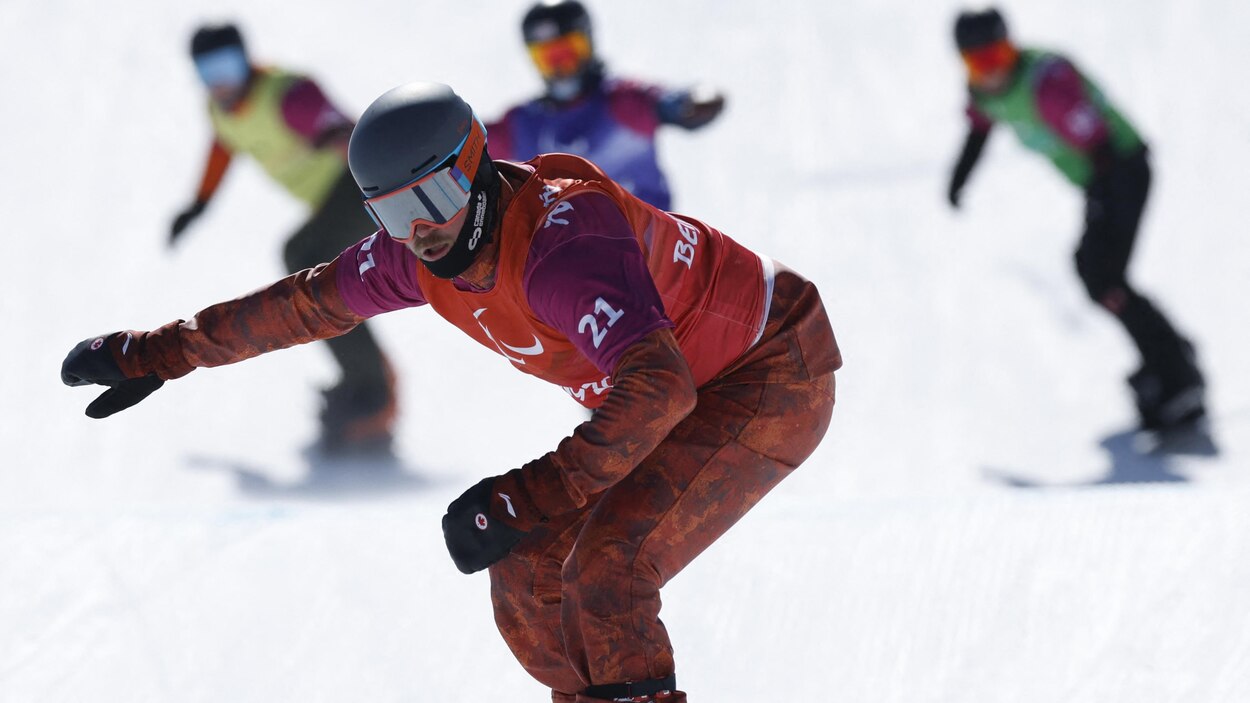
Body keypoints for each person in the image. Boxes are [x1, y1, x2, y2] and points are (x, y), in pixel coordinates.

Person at [62, 81, 840, 702]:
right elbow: (301, 304)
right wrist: (158, 352)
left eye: (432, 200)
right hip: (675, 383)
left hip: (768, 368)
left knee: (608, 566)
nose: (422, 232)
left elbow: (660, 389)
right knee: (530, 569)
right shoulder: (415, 257)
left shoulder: (562, 247)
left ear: (474, 168)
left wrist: (524, 494)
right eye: (392, 214)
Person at [946, 7, 1205, 433]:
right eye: (978, 63)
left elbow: (1102, 145)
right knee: (1099, 276)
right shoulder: (984, 92)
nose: (990, 72)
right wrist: (959, 179)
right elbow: (979, 128)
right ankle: (1171, 356)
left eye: (998, 57)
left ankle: (1178, 376)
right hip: (1100, 179)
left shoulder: (1048, 85)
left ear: (1013, 50)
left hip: (1122, 169)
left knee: (1103, 276)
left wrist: (1102, 202)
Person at [169, 22, 398, 452]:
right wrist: (198, 205)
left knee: (302, 254)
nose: (220, 81)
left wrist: (339, 140)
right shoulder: (220, 110)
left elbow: (338, 128)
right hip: (335, 198)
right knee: (313, 267)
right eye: (207, 71)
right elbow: (223, 146)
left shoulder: (287, 94)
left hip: (361, 186)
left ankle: (372, 389)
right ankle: (366, 384)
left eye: (228, 67)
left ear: (246, 60)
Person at [486, 0, 725, 210]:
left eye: (568, 54)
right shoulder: (524, 127)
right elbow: (471, 141)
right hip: (574, 254)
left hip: (648, 249)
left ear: (588, 44)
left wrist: (691, 103)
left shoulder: (621, 104)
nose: (561, 70)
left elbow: (667, 100)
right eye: (549, 59)